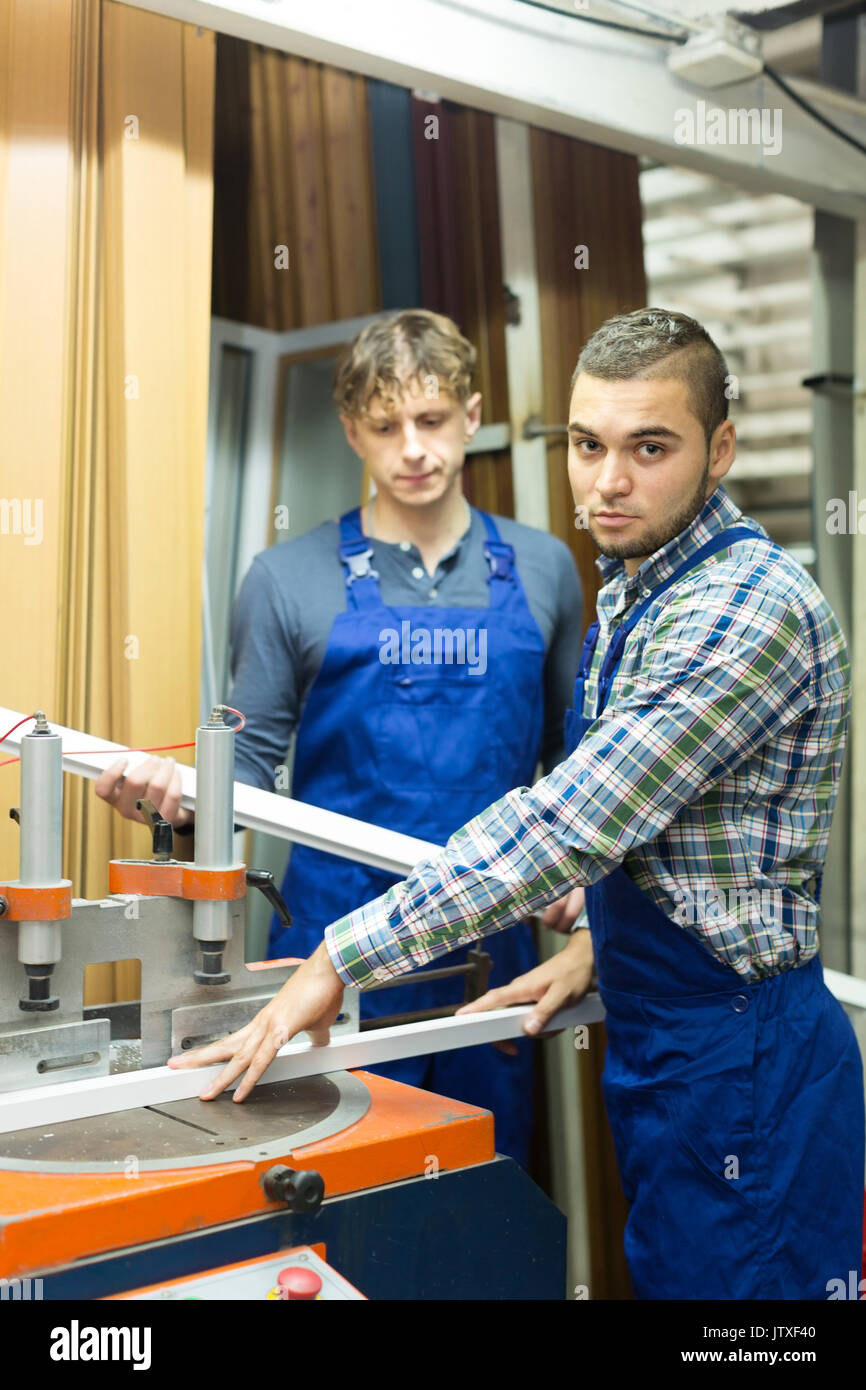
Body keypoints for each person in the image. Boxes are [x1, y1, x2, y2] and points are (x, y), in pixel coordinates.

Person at [168, 306, 865, 1301]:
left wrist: (341, 954)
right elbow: (661, 827)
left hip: (732, 1059)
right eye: (587, 445)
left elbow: (568, 813)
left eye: (648, 447)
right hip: (646, 1023)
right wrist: (601, 942)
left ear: (720, 451)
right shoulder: (640, 586)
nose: (607, 481)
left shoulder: (727, 609)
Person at [96, 308, 584, 1170]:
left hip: (490, 956)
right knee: (339, 1186)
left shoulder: (545, 569)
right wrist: (167, 800)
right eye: (386, 426)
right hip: (332, 949)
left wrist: (578, 877)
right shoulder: (287, 579)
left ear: (472, 415)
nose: (415, 450)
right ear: (352, 428)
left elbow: (573, 764)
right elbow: (241, 770)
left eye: (433, 421)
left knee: (480, 1191)